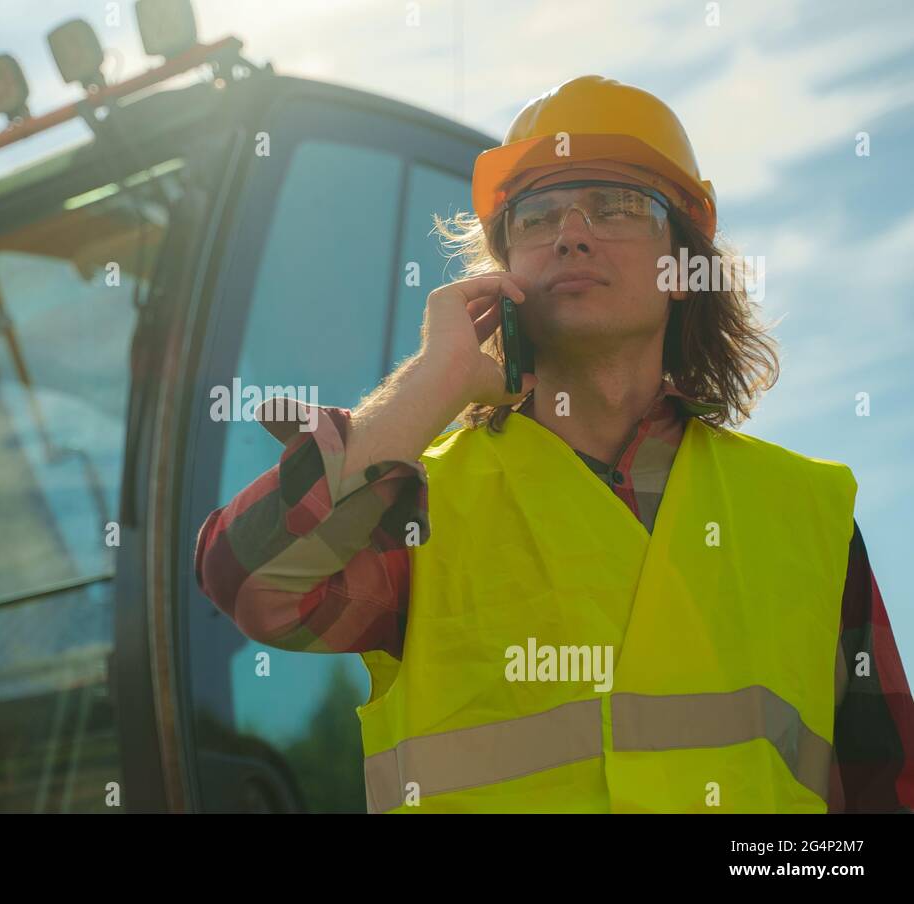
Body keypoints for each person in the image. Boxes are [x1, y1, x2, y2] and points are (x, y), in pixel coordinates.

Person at [194, 75, 913, 813]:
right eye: (535, 217)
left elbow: (886, 791)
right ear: (505, 273)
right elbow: (250, 582)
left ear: (683, 266)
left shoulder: (807, 514)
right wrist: (431, 384)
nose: (571, 231)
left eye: (617, 206)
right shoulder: (420, 507)